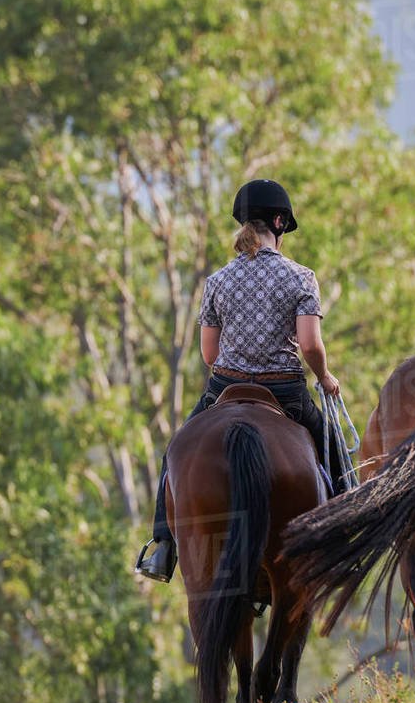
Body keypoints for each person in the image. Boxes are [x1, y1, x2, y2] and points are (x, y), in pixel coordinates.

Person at [135, 178, 343, 583]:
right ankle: (341, 545)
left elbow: (209, 355)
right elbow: (310, 345)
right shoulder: (301, 277)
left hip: (224, 388)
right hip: (285, 390)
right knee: (335, 453)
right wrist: (326, 377)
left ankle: (162, 547)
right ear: (280, 223)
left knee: (175, 451)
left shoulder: (218, 281)